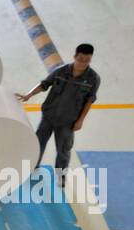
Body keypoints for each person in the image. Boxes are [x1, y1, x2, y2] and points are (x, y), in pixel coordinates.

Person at [15, 43, 100, 182]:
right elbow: (44, 84)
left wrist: (80, 121)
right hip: (49, 116)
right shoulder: (61, 71)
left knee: (63, 150)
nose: (83, 63)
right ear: (74, 56)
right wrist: (28, 95)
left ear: (91, 59)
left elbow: (89, 101)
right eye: (80, 59)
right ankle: (33, 167)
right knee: (38, 143)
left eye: (87, 60)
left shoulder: (93, 79)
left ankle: (61, 175)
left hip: (68, 121)